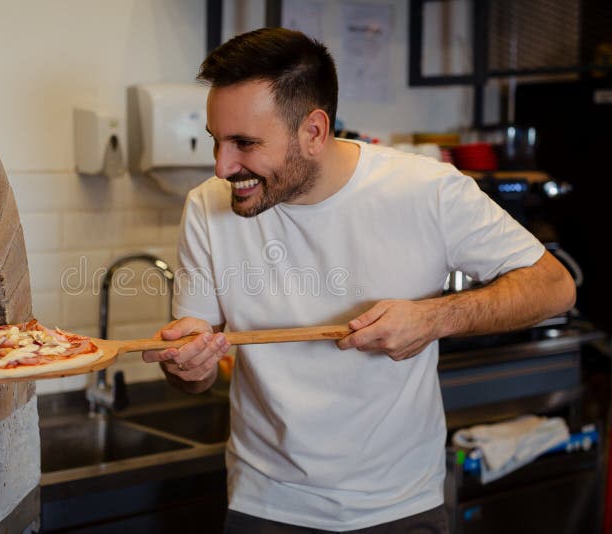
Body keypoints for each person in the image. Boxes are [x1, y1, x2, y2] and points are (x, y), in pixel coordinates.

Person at [142, 27, 576, 533]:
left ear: (314, 131)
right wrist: (188, 367)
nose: (222, 166)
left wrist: (434, 318)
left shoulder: (426, 191)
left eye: (245, 143)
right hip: (265, 504)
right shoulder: (206, 207)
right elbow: (193, 362)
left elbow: (555, 286)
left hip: (400, 504)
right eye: (217, 141)